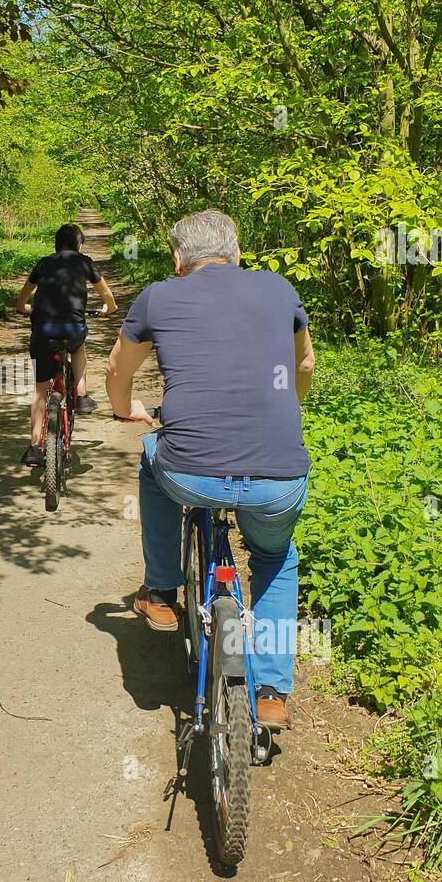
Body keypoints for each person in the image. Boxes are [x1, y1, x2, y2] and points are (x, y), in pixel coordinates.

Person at [104, 209, 315, 731]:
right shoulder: (279, 290)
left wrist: (125, 409)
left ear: (178, 259)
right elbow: (303, 366)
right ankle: (270, 693)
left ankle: (161, 590)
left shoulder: (158, 296)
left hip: (189, 471)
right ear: (237, 250)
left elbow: (116, 371)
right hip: (279, 475)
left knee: (152, 461)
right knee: (274, 557)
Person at [15, 222, 117, 466]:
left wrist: (25, 309)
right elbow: (107, 295)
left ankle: (34, 448)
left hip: (42, 331)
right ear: (79, 244)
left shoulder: (43, 263)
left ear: (56, 244)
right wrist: (109, 309)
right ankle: (81, 395)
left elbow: (22, 297)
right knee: (79, 346)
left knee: (41, 390)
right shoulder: (84, 262)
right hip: (72, 329)